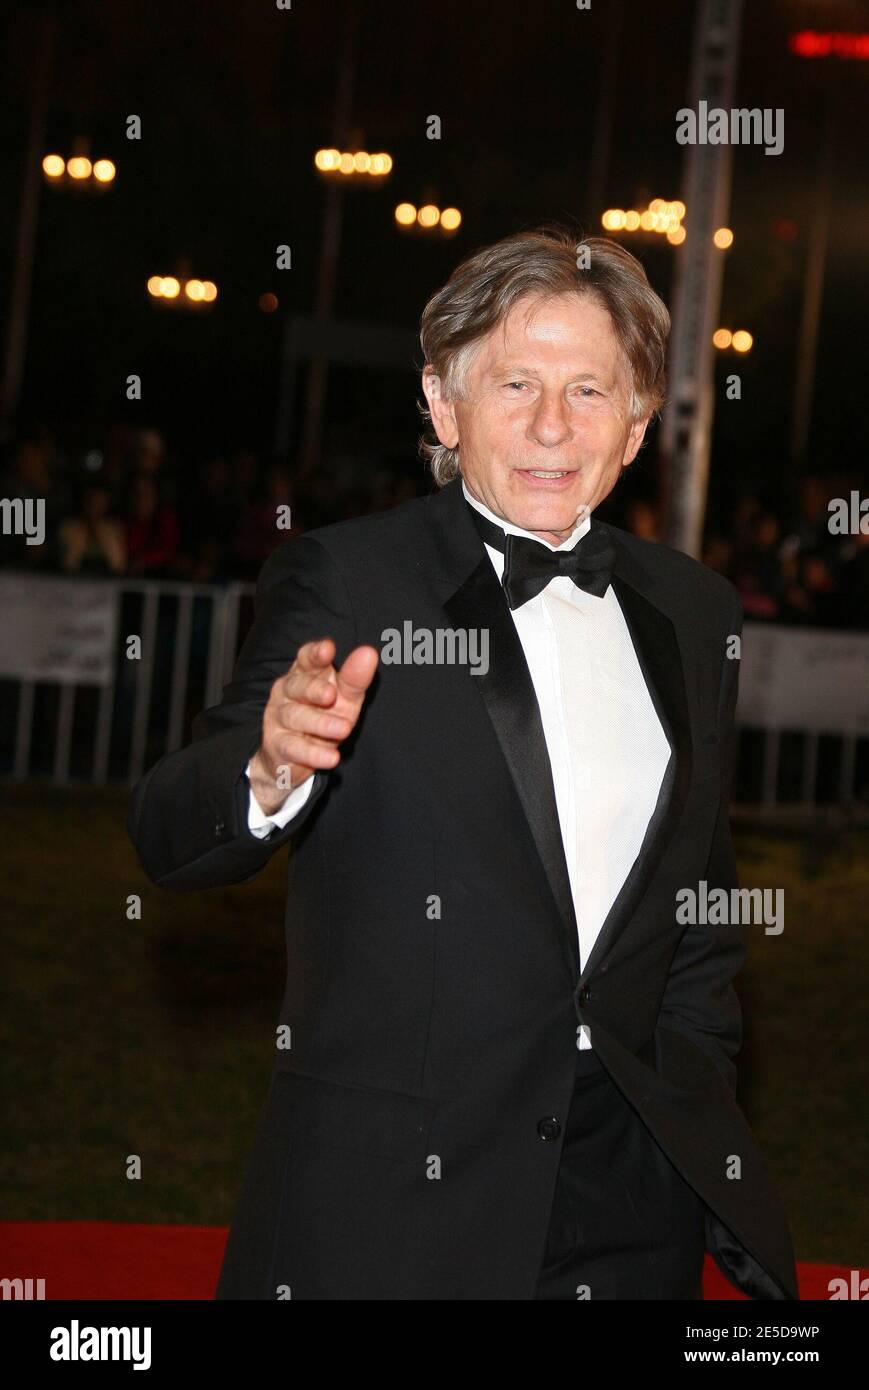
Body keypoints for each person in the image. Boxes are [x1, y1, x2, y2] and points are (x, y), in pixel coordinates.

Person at [127, 228, 797, 1301]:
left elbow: (698, 903)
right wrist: (264, 768)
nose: (549, 425)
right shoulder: (349, 577)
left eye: (588, 389)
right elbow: (169, 832)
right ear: (442, 406)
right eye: (514, 383)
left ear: (635, 424)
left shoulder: (692, 608)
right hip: (395, 1204)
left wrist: (691, 1091)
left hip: (628, 1201)